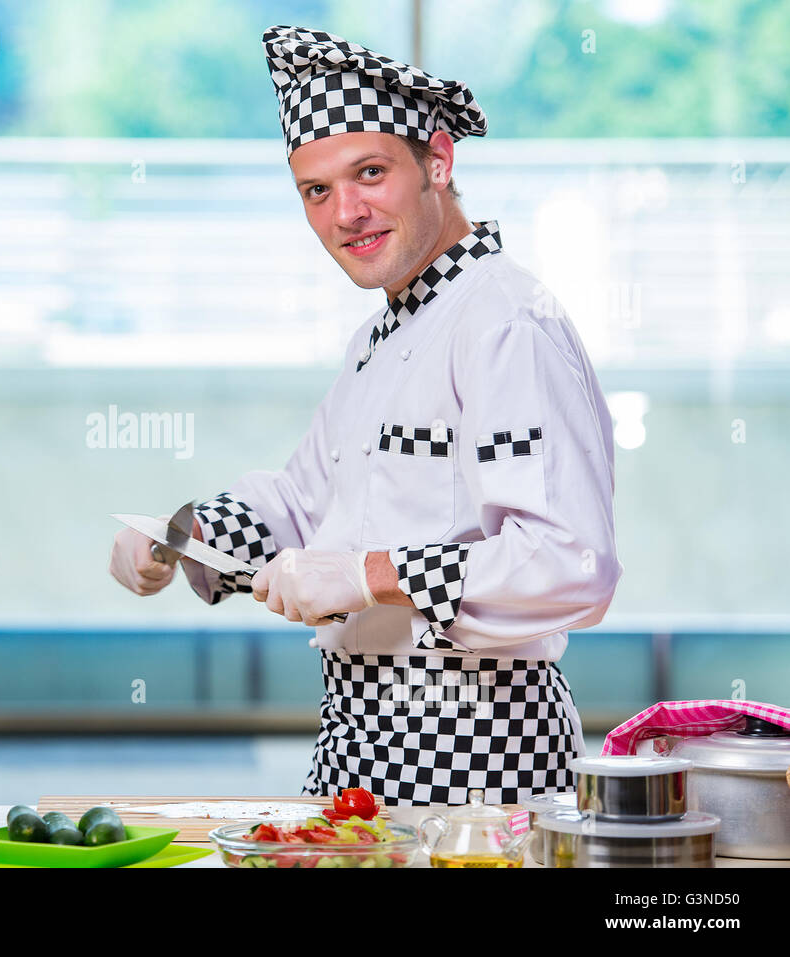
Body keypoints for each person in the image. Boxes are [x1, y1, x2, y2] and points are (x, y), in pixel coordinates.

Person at [109, 25, 622, 805]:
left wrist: (366, 574)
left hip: (481, 761)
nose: (346, 211)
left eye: (371, 173)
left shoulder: (508, 321)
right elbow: (304, 502)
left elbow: (568, 561)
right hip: (355, 752)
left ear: (438, 163)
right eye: (316, 190)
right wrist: (179, 534)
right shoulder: (381, 336)